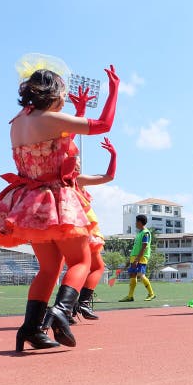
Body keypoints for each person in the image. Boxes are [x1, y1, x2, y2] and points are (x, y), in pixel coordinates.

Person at [0, 56, 119, 352]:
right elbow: (103, 125)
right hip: (57, 197)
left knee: (49, 268)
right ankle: (61, 312)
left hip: (30, 202)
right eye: (62, 93)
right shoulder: (51, 119)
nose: (64, 98)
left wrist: (78, 110)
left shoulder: (17, 123)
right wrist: (114, 90)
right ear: (52, 93)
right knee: (81, 262)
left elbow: (59, 137)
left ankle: (30, 329)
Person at [69, 137, 117, 320]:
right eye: (76, 160)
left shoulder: (61, 182)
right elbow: (108, 177)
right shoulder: (76, 180)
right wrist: (113, 155)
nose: (79, 163)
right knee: (97, 267)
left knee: (77, 268)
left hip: (68, 228)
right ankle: (81, 303)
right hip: (84, 228)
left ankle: (68, 308)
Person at [119, 215, 156, 302]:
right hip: (134, 257)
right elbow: (136, 248)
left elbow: (144, 247)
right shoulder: (139, 233)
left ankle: (151, 294)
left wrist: (137, 259)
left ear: (139, 222)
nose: (135, 223)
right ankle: (130, 296)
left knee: (140, 275)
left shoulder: (146, 233)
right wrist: (130, 260)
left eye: (136, 221)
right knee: (132, 275)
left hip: (141, 257)